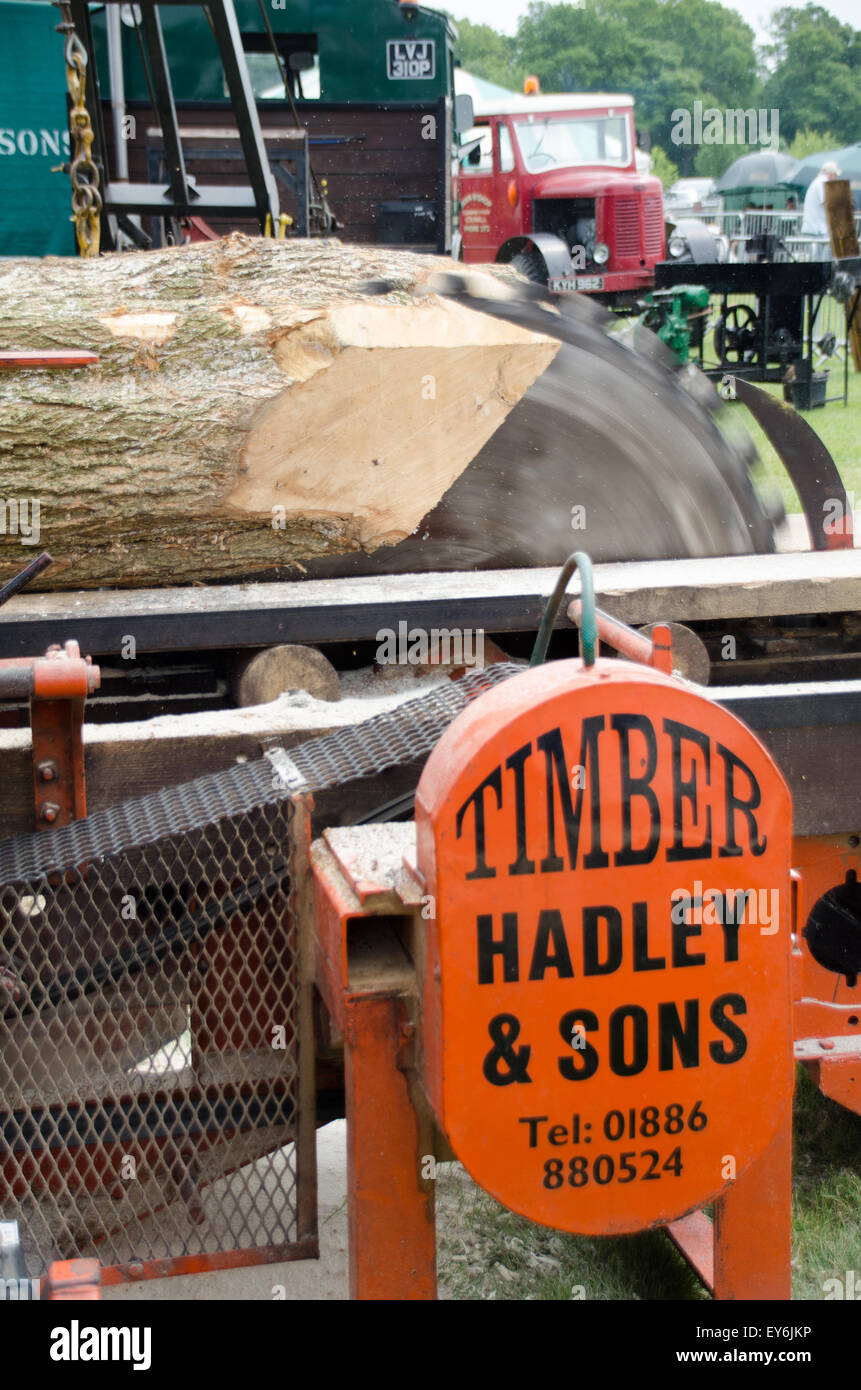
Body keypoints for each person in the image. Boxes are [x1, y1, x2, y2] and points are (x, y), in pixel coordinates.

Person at [801, 160, 841, 238]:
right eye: (835, 175)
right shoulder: (823, 182)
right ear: (831, 174)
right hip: (817, 229)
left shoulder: (817, 181)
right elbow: (827, 202)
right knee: (821, 250)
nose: (836, 177)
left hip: (813, 227)